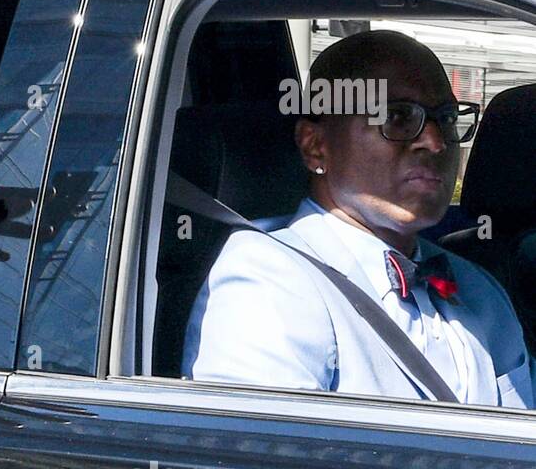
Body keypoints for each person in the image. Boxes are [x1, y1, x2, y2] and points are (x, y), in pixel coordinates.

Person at [183, 30, 533, 407]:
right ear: (316, 146)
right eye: (397, 117)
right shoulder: (268, 276)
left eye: (445, 118)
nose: (435, 143)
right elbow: (269, 457)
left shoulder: (480, 290)